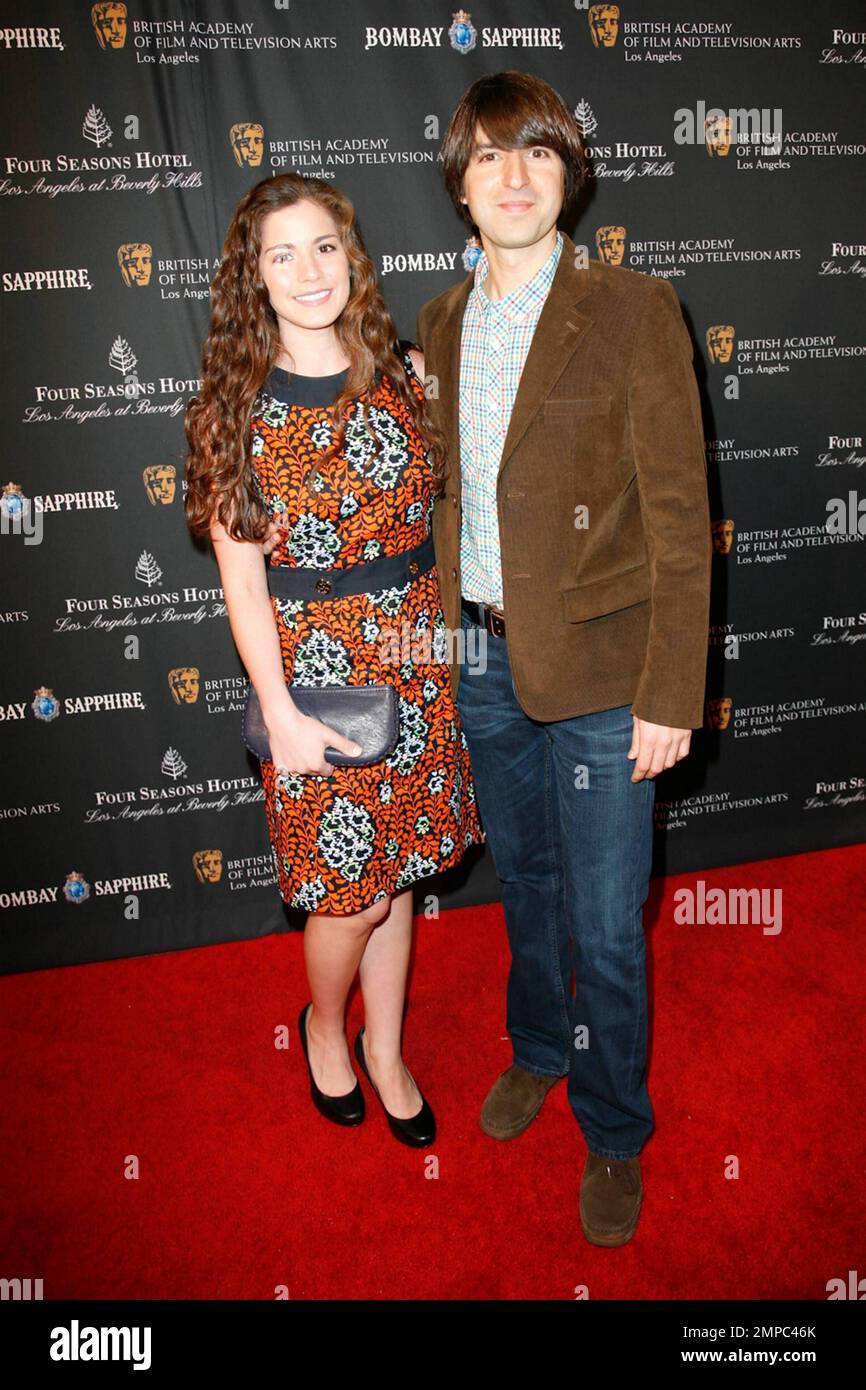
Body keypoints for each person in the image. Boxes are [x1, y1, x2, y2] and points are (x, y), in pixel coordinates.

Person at [416, 71, 712, 1244]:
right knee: (525, 888)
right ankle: (537, 1048)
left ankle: (614, 1127)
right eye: (488, 157)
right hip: (482, 666)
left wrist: (666, 691)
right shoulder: (439, 324)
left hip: (601, 679)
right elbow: (437, 503)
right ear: (459, 184)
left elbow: (682, 521)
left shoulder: (635, 309)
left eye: (534, 153)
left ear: (567, 172)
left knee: (601, 918)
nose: (513, 176)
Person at [184, 172, 484, 1148]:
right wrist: (277, 713)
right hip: (313, 681)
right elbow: (240, 580)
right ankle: (323, 1023)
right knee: (346, 895)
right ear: (254, 279)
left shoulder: (399, 368)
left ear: (350, 256)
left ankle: (387, 1048)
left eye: (323, 247)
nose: (308, 271)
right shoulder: (235, 403)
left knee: (395, 881)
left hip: (412, 661)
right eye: (282, 255)